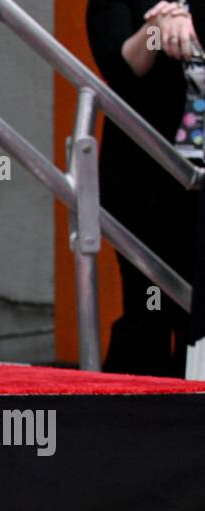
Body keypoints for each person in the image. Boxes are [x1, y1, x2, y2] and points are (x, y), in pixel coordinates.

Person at [88, 1, 205, 375]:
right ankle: (133, 421)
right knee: (148, 309)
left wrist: (186, 22)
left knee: (196, 319)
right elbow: (121, 66)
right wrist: (158, 26)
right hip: (145, 179)